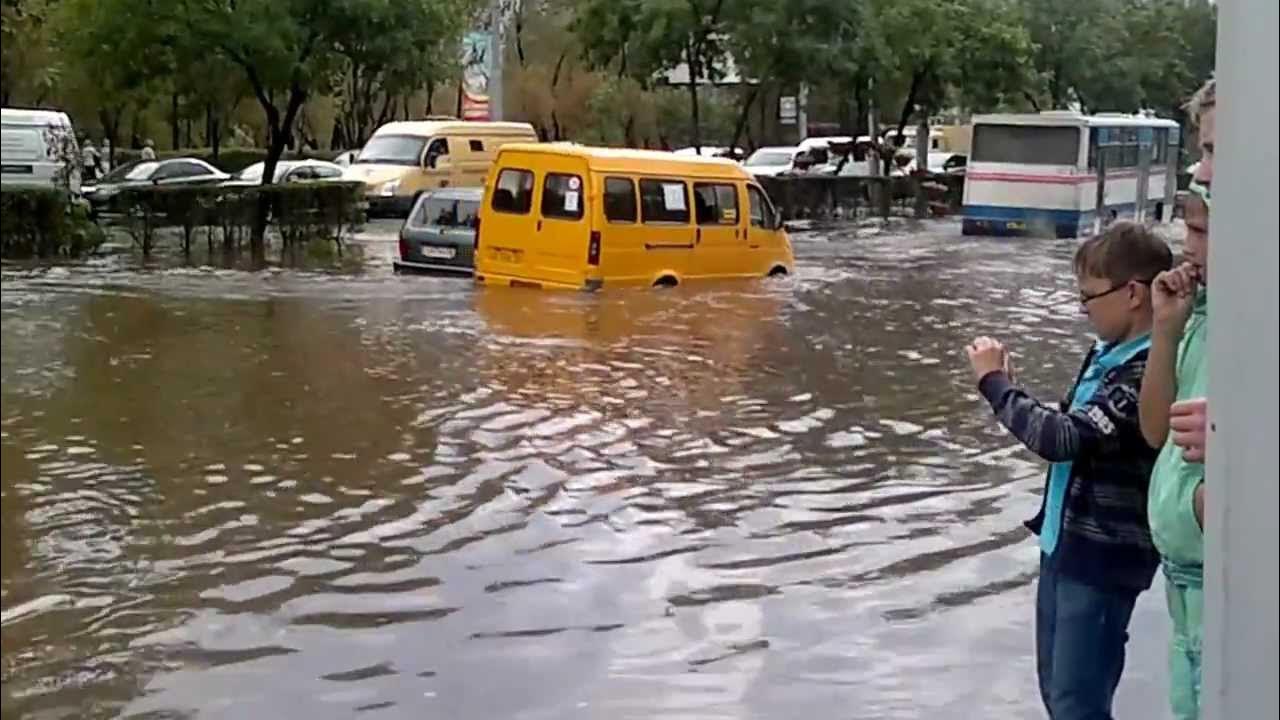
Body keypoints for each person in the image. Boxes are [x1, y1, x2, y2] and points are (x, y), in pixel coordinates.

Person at [965, 221, 1173, 720]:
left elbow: (1058, 440)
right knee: (1057, 693)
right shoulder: (1107, 355)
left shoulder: (1145, 370)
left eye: (1089, 297)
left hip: (1102, 559)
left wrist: (995, 385)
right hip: (1065, 543)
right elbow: (1072, 428)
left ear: (1133, 294)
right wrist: (1016, 394)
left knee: (1078, 702)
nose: (1082, 309)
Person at [1139, 76, 1215, 720]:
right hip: (1185, 578)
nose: (1189, 248)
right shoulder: (1204, 311)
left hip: (1224, 582)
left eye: (1202, 232)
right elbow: (1155, 430)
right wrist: (1165, 332)